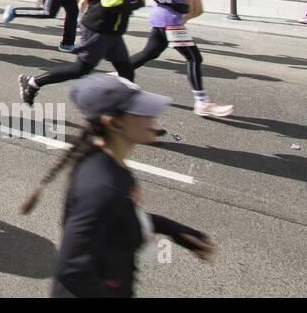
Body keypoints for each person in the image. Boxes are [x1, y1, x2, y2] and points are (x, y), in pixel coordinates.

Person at [21, 73, 215, 297]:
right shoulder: (103, 186)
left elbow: (118, 218)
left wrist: (171, 229)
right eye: (141, 111)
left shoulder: (109, 166)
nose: (153, 116)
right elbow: (72, 269)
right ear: (113, 122)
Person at [20, 0, 145, 106]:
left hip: (112, 30)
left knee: (126, 73)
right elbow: (111, 4)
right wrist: (136, 3)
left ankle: (125, 114)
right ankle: (33, 83)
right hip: (100, 29)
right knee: (81, 69)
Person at [130, 0, 233, 117]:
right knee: (194, 58)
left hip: (170, 18)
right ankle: (202, 102)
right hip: (168, 20)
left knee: (150, 53)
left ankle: (117, 73)